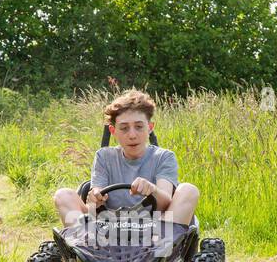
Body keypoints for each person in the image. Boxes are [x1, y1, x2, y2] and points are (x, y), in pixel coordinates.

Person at [53, 89, 200, 228]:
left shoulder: (163, 157)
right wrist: (95, 198)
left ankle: (163, 246)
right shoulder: (104, 156)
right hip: (109, 228)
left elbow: (166, 202)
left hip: (154, 229)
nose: (132, 135)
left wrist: (152, 190)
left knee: (189, 190)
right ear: (113, 131)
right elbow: (94, 201)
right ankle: (84, 243)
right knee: (62, 194)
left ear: (150, 128)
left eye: (139, 127)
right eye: (124, 128)